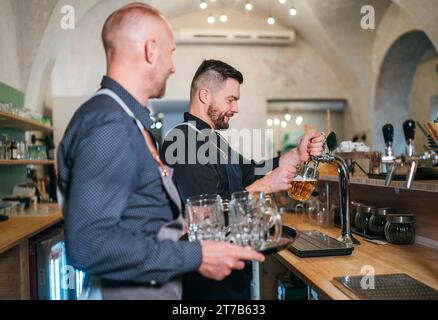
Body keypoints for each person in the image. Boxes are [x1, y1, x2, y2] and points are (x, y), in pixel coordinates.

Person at [57, 4, 264, 300]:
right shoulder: (109, 123)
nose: (172, 66)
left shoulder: (126, 118)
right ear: (151, 50)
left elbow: (141, 222)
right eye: (171, 53)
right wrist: (195, 256)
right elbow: (88, 244)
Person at [161, 59, 324, 299]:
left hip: (231, 272)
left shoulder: (213, 140)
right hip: (207, 282)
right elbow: (207, 215)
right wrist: (265, 187)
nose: (235, 108)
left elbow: (250, 169)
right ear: (205, 95)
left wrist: (294, 155)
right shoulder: (184, 142)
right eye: (230, 99)